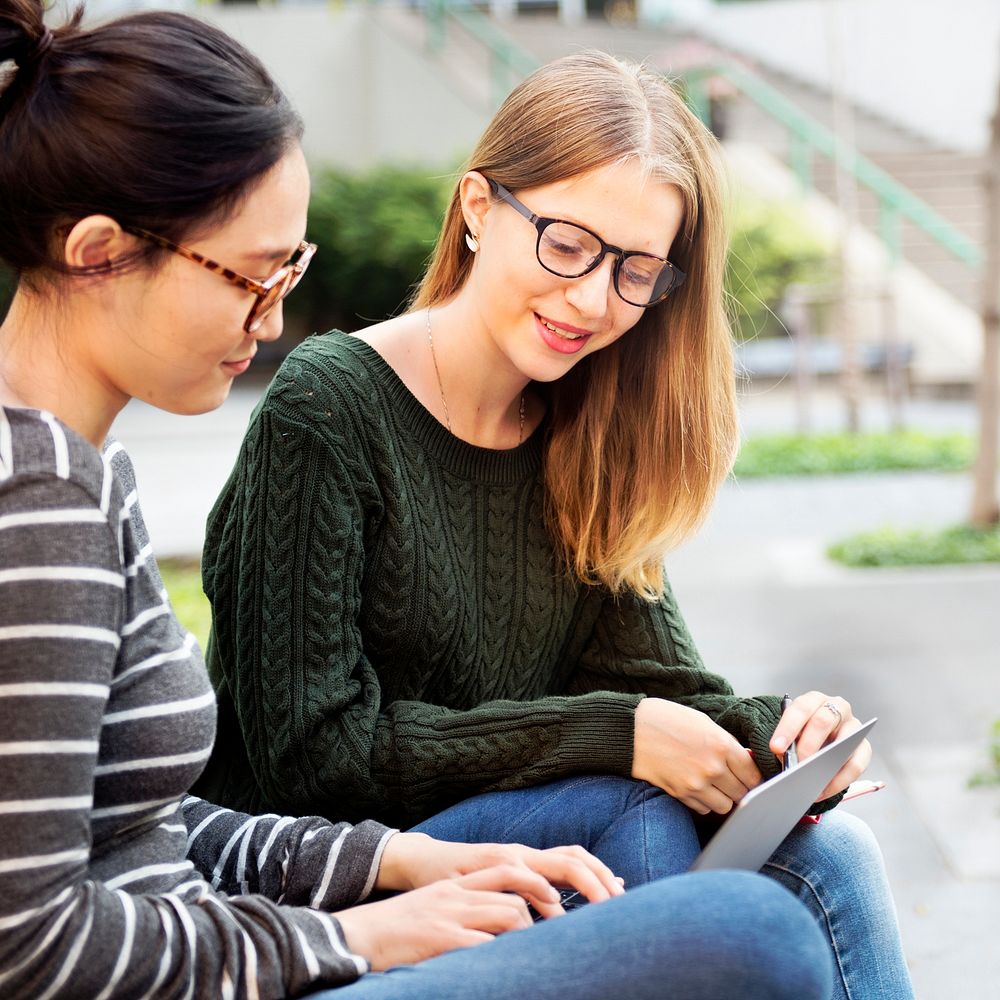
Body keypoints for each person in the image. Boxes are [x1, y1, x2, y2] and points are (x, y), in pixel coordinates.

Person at [0, 4, 838, 998]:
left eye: (291, 273)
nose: (270, 324)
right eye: (254, 277)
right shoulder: (43, 489)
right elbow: (31, 943)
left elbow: (154, 826)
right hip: (240, 955)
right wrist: (357, 937)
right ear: (99, 251)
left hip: (245, 915)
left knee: (803, 858)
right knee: (742, 925)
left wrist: (394, 869)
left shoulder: (90, 478)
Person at [198, 50, 915, 999]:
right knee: (633, 813)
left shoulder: (582, 432)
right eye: (569, 244)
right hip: (329, 884)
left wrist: (787, 736)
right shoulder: (328, 408)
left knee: (838, 855)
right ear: (479, 207)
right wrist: (618, 733)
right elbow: (313, 756)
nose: (592, 299)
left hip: (522, 844)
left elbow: (658, 692)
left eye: (636, 272)